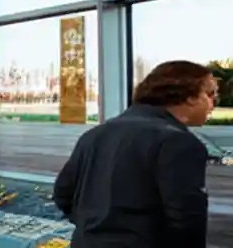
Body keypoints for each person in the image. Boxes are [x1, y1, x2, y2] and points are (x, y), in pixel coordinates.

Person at [53, 60, 216, 246]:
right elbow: (187, 219)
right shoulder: (178, 142)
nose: (213, 104)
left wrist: (97, 230)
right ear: (190, 97)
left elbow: (63, 194)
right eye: (210, 94)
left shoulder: (94, 135)